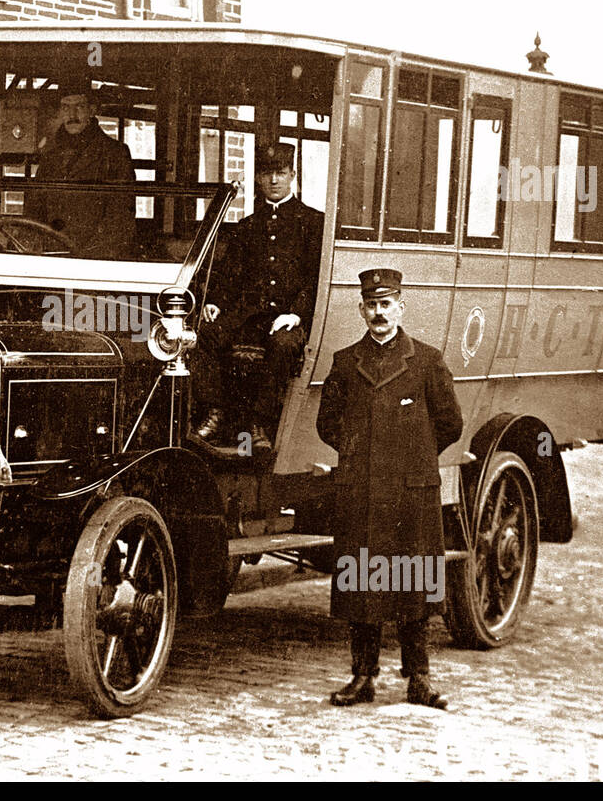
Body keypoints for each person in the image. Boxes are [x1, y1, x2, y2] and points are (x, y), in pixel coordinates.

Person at [315, 268, 463, 709]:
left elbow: (450, 423)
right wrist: (361, 452)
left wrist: (410, 454)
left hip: (410, 490)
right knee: (362, 582)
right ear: (361, 310)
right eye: (371, 305)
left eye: (387, 304)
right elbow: (327, 424)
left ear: (401, 307)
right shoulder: (345, 362)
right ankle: (363, 678)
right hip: (361, 489)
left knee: (414, 582)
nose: (379, 313)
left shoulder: (427, 360)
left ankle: (419, 678)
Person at [194, 141, 324, 450]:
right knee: (206, 333)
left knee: (282, 344)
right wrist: (215, 302)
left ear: (293, 175)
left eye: (280, 173)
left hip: (290, 318)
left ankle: (259, 423)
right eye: (267, 174)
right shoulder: (248, 226)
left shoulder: (314, 223)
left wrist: (296, 313)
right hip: (250, 315)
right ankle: (215, 412)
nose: (274, 181)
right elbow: (230, 275)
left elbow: (315, 278)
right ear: (258, 179)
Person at [27, 78, 137, 258]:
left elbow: (120, 219)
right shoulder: (50, 155)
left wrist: (87, 257)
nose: (72, 114)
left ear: (92, 111)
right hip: (51, 254)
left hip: (94, 259)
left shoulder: (115, 153)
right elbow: (34, 207)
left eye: (79, 106)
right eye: (65, 107)